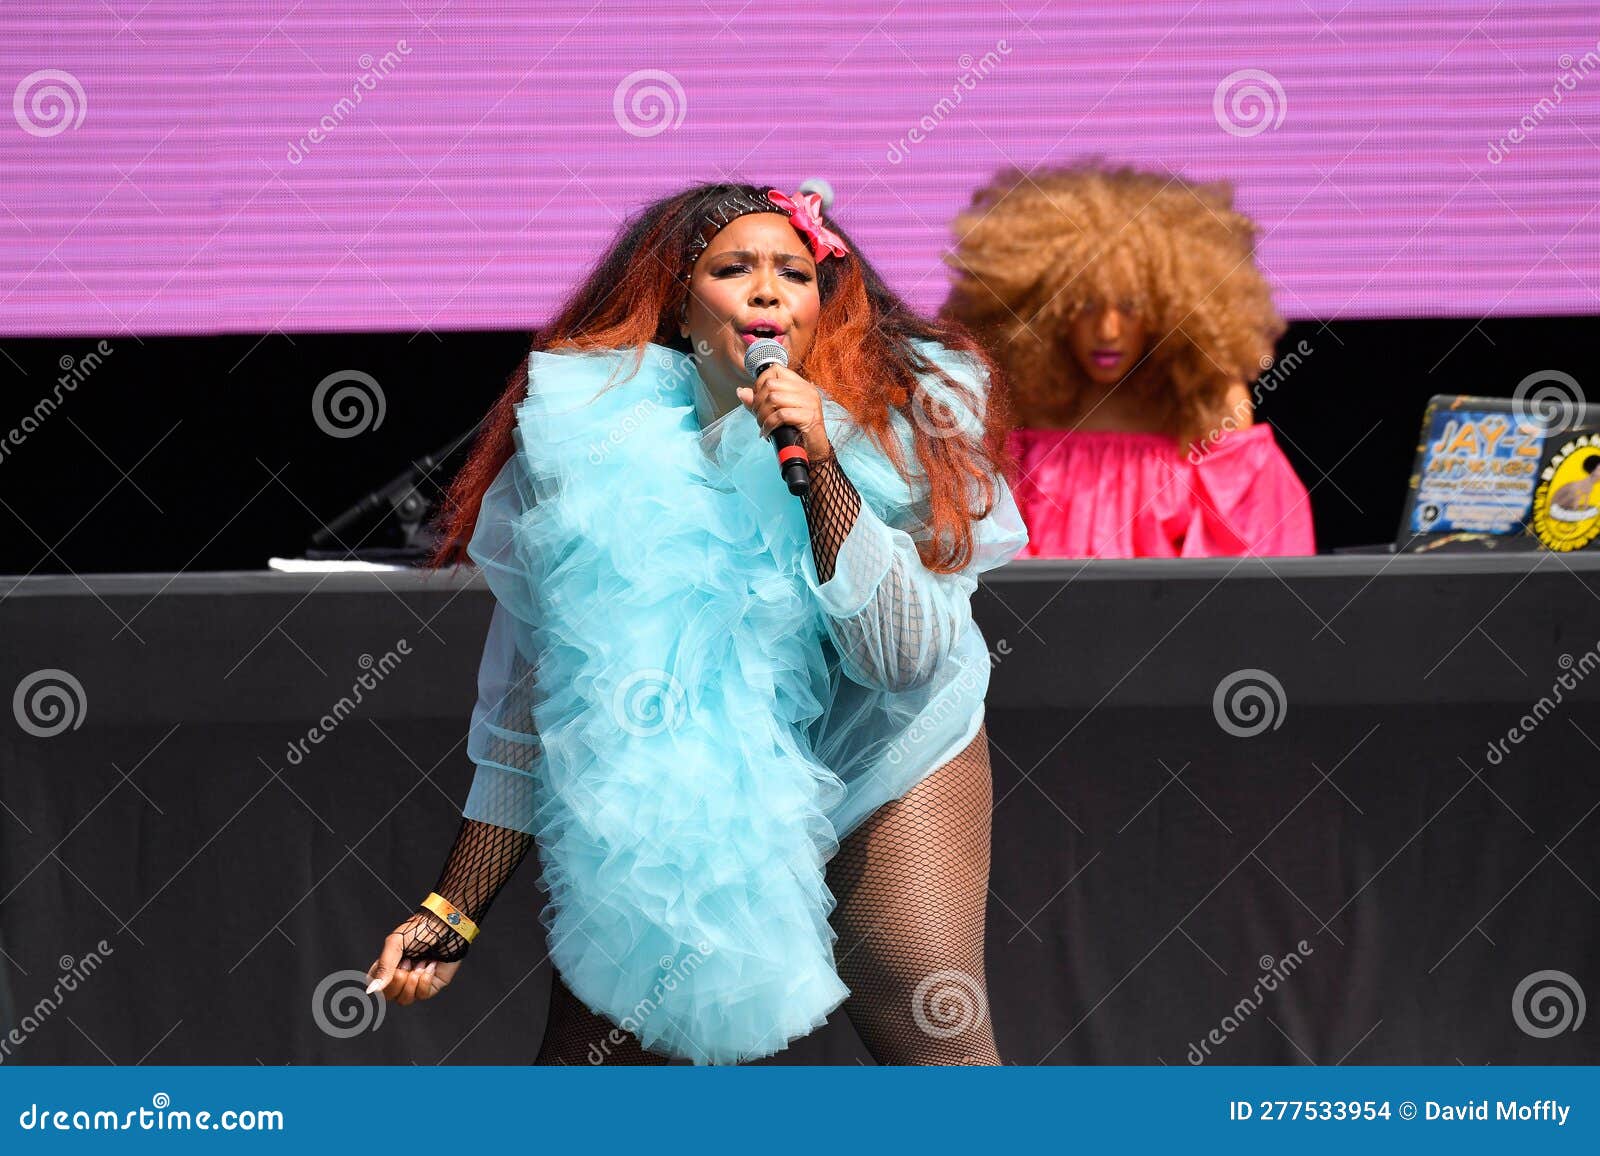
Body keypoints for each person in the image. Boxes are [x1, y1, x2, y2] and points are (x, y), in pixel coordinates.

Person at [362, 181, 1030, 1065]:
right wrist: (452, 911)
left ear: (820, 306)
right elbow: (537, 707)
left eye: (794, 272)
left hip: (880, 744)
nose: (767, 291)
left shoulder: (892, 432)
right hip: (689, 772)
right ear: (681, 307)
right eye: (734, 269)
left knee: (926, 1004)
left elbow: (902, 662)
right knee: (598, 1052)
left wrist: (821, 467)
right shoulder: (594, 446)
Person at [941, 161, 1316, 559]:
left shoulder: (1206, 405)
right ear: (1044, 311)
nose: (1107, 331)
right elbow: (972, 550)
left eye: (1131, 307)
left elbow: (1253, 558)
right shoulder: (1015, 404)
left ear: (1171, 312)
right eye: (1084, 306)